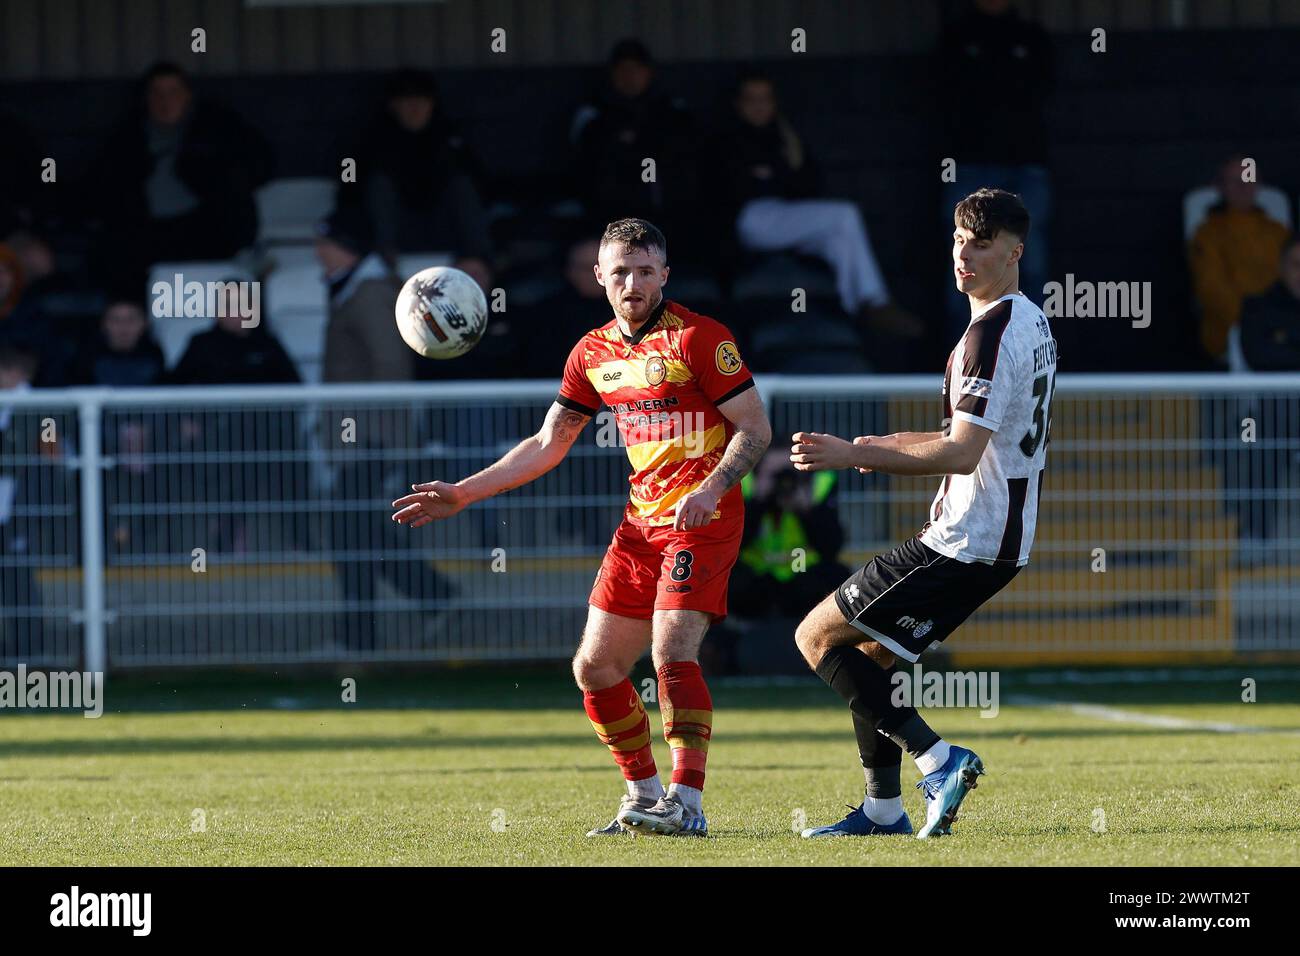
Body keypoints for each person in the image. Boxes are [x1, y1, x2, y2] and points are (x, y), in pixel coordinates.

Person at [392, 218, 772, 837]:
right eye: (620, 272)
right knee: (595, 668)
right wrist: (464, 492)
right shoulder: (592, 353)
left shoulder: (701, 339)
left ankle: (688, 803)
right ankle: (644, 796)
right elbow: (548, 443)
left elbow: (755, 430)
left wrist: (711, 488)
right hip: (640, 523)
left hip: (703, 519)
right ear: (600, 277)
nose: (633, 284)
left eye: (645, 271)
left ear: (664, 276)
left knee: (672, 651)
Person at [788, 189, 1055, 839]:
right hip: (996, 540)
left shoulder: (988, 336)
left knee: (817, 638)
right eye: (959, 238)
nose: (964, 253)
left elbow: (963, 455)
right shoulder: (1029, 319)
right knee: (872, 660)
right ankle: (883, 809)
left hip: (966, 539)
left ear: (1015, 252)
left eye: (982, 242)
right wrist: (888, 443)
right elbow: (976, 433)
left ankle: (939, 760)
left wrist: (857, 453)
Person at [714, 71, 923, 346]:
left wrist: (777, 172)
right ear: (739, 103)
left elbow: (809, 185)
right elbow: (732, 189)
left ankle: (865, 309)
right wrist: (776, 175)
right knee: (844, 215)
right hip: (747, 221)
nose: (759, 106)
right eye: (751, 99)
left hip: (787, 217)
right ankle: (873, 301)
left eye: (764, 99)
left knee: (838, 240)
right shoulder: (725, 139)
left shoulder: (783, 134)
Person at [90, 61, 272, 298]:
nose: (165, 101)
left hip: (207, 228)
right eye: (157, 94)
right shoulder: (128, 135)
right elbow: (105, 184)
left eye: (173, 92)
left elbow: (260, 164)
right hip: (147, 230)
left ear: (187, 95)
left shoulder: (218, 127)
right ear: (146, 98)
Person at [937, 0, 1054, 340]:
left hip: (1026, 164)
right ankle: (964, 350)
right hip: (969, 163)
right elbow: (948, 93)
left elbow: (1041, 90)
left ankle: (1033, 344)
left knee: (1030, 259)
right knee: (965, 257)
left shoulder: (1031, 37)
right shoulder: (957, 37)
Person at [355, 69, 494, 288]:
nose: (415, 108)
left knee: (462, 185)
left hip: (444, 228)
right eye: (407, 101)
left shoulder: (450, 139)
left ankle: (476, 262)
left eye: (422, 101)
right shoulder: (374, 143)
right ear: (393, 105)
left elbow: (479, 186)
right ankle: (384, 268)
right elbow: (352, 191)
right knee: (379, 186)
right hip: (394, 231)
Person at [571, 41, 706, 264]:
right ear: (613, 74)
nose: (630, 76)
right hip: (612, 215)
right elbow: (590, 157)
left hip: (670, 211)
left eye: (637, 70)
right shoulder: (594, 113)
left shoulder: (671, 108)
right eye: (623, 70)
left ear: (649, 73)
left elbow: (685, 151)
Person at [1190, 156, 1292, 363]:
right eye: (1235, 181)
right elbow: (1212, 290)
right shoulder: (1207, 234)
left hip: (1285, 327)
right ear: (1220, 187)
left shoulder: (1280, 233)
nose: (1243, 187)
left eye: (1248, 180)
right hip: (1233, 330)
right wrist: (1256, 322)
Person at [730, 450, 850, 618]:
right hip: (758, 573)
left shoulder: (815, 491)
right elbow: (734, 545)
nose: (784, 482)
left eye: (790, 473)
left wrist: (806, 510)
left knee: (837, 576)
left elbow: (831, 549)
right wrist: (759, 502)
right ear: (758, 471)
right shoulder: (747, 489)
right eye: (776, 475)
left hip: (800, 570)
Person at [70, 301, 166, 387]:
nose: (123, 328)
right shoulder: (86, 364)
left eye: (131, 320)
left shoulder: (157, 361)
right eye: (116, 320)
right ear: (103, 324)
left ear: (145, 323)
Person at [1240, 237, 1300, 370]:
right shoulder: (1257, 309)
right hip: (1279, 390)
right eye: (1296, 265)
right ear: (1281, 267)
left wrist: (1290, 341)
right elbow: (1260, 356)